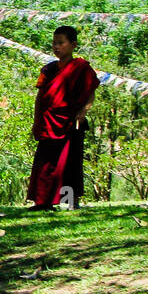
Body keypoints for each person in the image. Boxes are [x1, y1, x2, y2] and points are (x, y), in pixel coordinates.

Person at [28, 25, 99, 210]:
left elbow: (91, 93)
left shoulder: (81, 67)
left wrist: (83, 112)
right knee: (45, 163)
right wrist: (36, 121)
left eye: (61, 43)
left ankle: (69, 201)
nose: (56, 47)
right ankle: (42, 202)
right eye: (54, 43)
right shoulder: (48, 69)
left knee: (70, 163)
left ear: (73, 44)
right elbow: (40, 97)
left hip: (71, 122)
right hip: (48, 121)